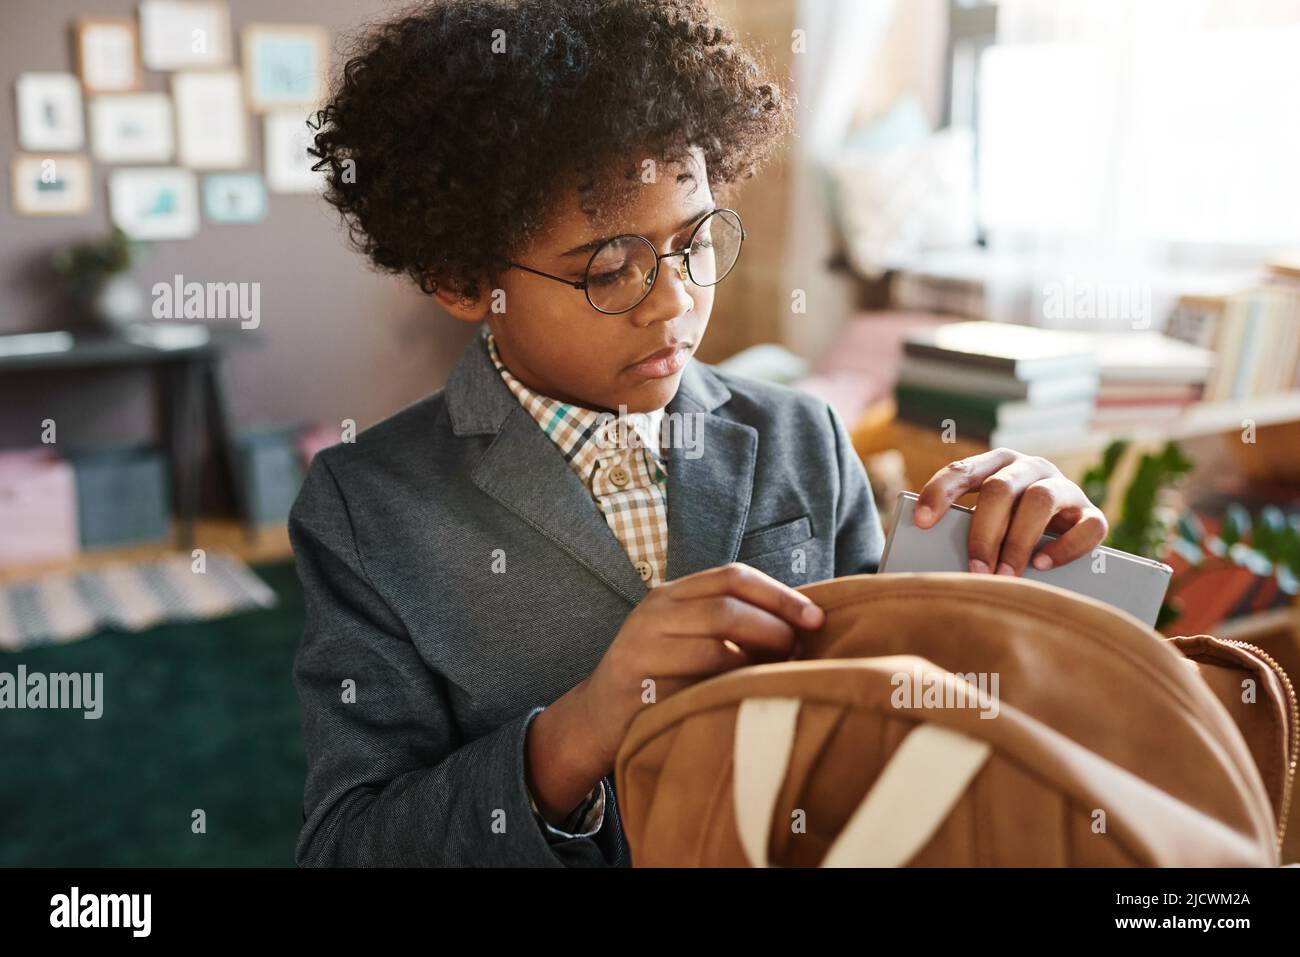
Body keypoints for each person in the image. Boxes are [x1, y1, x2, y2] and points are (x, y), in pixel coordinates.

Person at [289, 0, 1108, 866]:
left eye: (696, 240)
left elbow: (899, 700)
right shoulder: (365, 508)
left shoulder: (804, 434)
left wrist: (1013, 575)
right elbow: (350, 845)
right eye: (610, 268)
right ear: (461, 281)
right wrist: (578, 732)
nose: (677, 301)